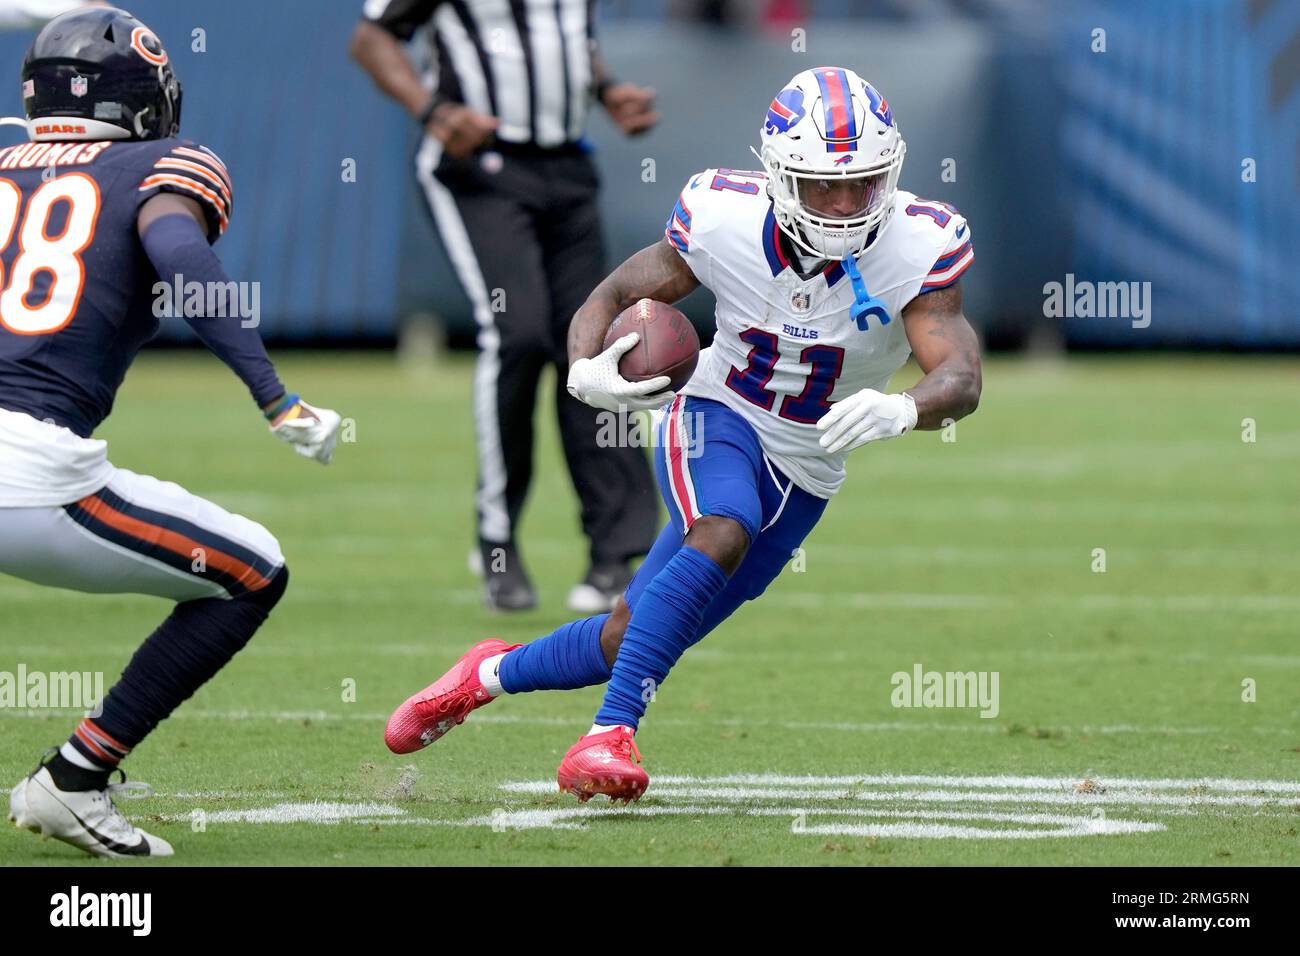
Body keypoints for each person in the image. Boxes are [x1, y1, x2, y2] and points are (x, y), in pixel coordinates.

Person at [384, 67, 982, 801]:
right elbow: (611, 294)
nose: (839, 203)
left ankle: (481, 676)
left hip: (809, 470)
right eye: (819, 184)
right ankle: (607, 737)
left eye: (858, 183)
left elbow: (960, 374)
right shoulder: (723, 217)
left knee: (627, 638)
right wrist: (583, 370)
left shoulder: (921, 243)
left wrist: (906, 408)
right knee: (726, 524)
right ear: (778, 176)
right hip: (714, 414)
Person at [2, 7, 341, 857]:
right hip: (26, 468)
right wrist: (274, 397)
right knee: (252, 572)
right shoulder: (160, 165)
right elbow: (185, 262)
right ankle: (75, 779)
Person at [350, 0, 661, 612]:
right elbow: (370, 38)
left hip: (568, 168)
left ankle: (614, 554)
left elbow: (565, 36)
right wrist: (432, 110)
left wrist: (607, 89)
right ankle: (497, 540)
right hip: (478, 168)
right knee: (517, 333)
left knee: (599, 347)